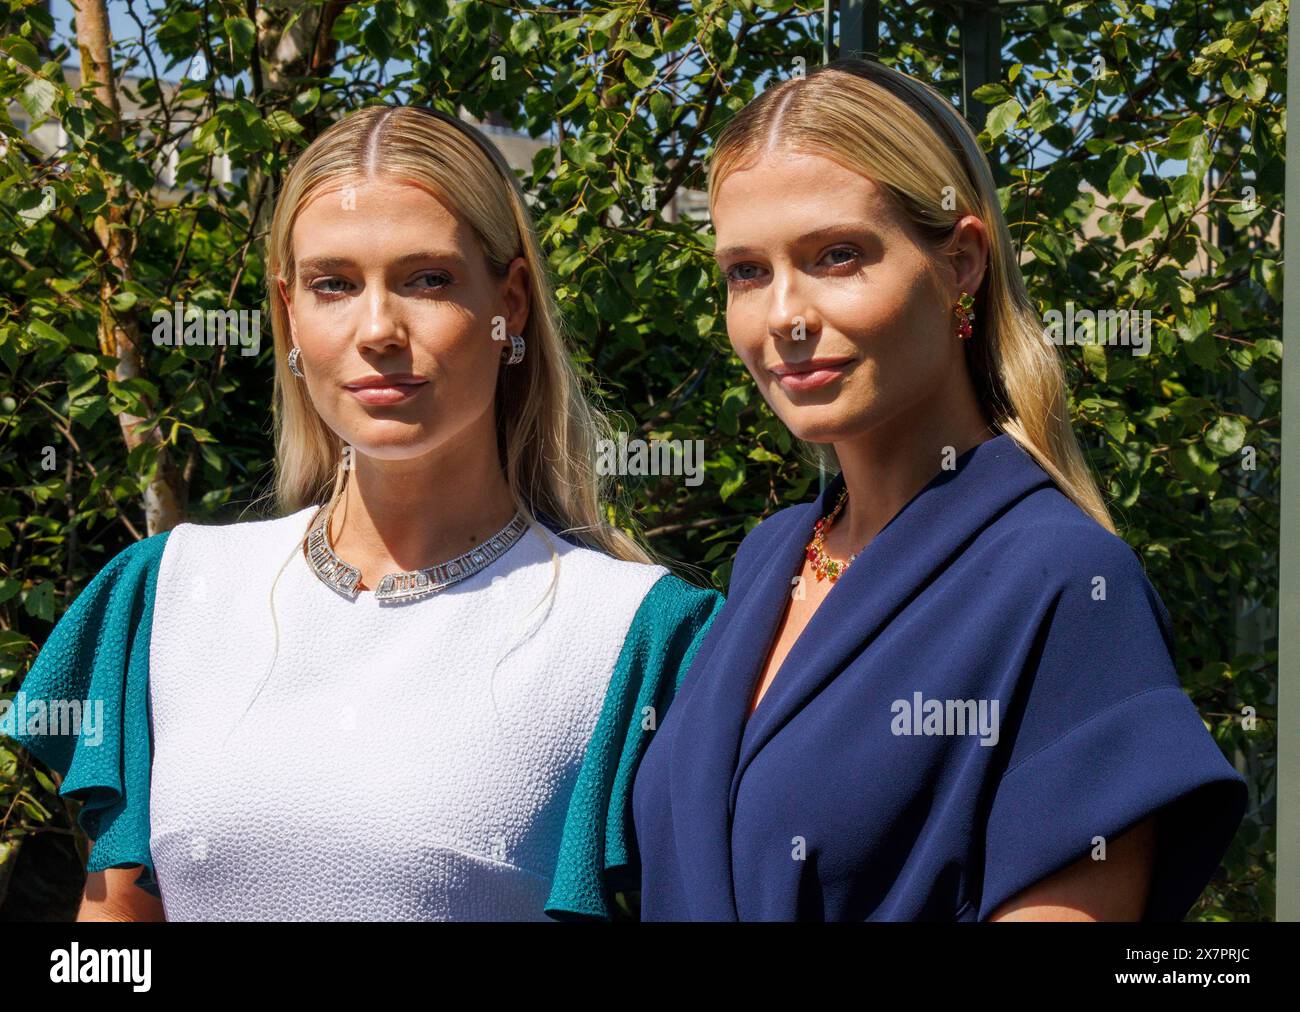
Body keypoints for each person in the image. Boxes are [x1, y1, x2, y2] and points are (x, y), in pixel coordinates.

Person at [6, 106, 721, 922]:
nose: (378, 329)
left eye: (427, 279)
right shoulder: (170, 593)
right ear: (289, 316)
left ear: (510, 303)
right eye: (334, 285)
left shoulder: (638, 635)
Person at [631, 58, 1247, 921]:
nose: (784, 315)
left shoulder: (1062, 583)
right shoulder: (772, 555)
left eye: (836, 256)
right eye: (747, 272)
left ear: (960, 262)